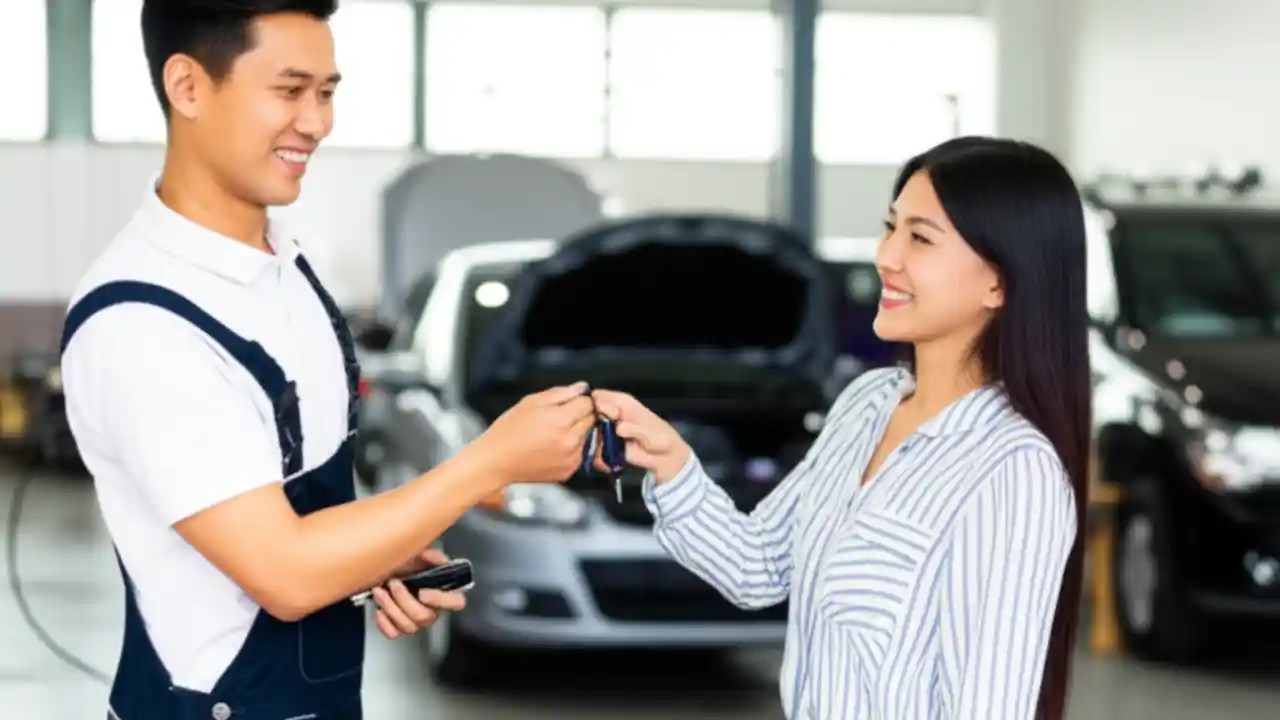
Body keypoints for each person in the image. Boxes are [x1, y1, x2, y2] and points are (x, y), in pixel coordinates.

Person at [59, 2, 596, 719]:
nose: (317, 122)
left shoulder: (286, 264)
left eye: (327, 91)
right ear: (187, 87)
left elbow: (289, 522)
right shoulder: (144, 323)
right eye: (289, 89)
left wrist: (376, 555)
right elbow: (284, 571)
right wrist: (492, 462)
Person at [592, 136, 1090, 720]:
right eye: (891, 227)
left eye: (921, 238)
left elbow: (987, 707)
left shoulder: (1012, 471)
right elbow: (757, 567)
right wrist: (671, 462)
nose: (887, 256)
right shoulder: (866, 405)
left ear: (999, 284)